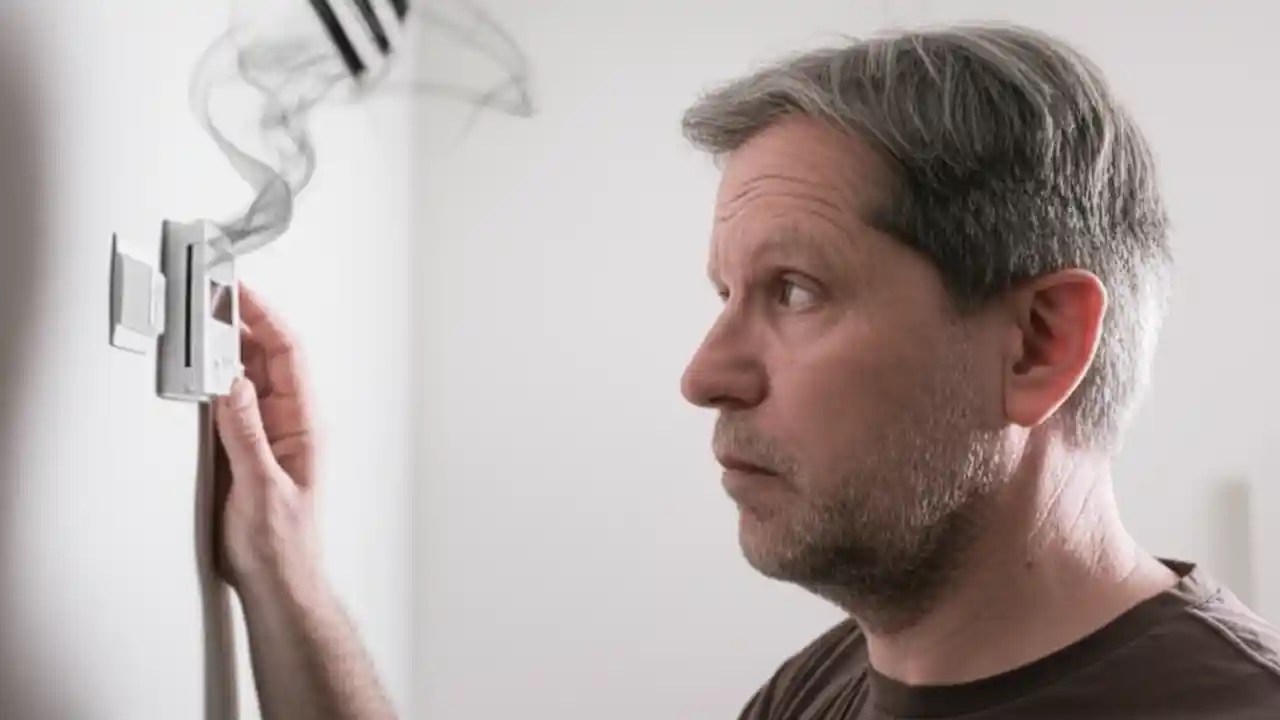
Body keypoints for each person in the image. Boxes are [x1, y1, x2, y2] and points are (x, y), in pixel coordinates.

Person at [214, 22, 1280, 720]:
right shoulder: (822, 691)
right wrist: (284, 566)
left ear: (1037, 344)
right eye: (723, 294)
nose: (704, 373)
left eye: (795, 291)